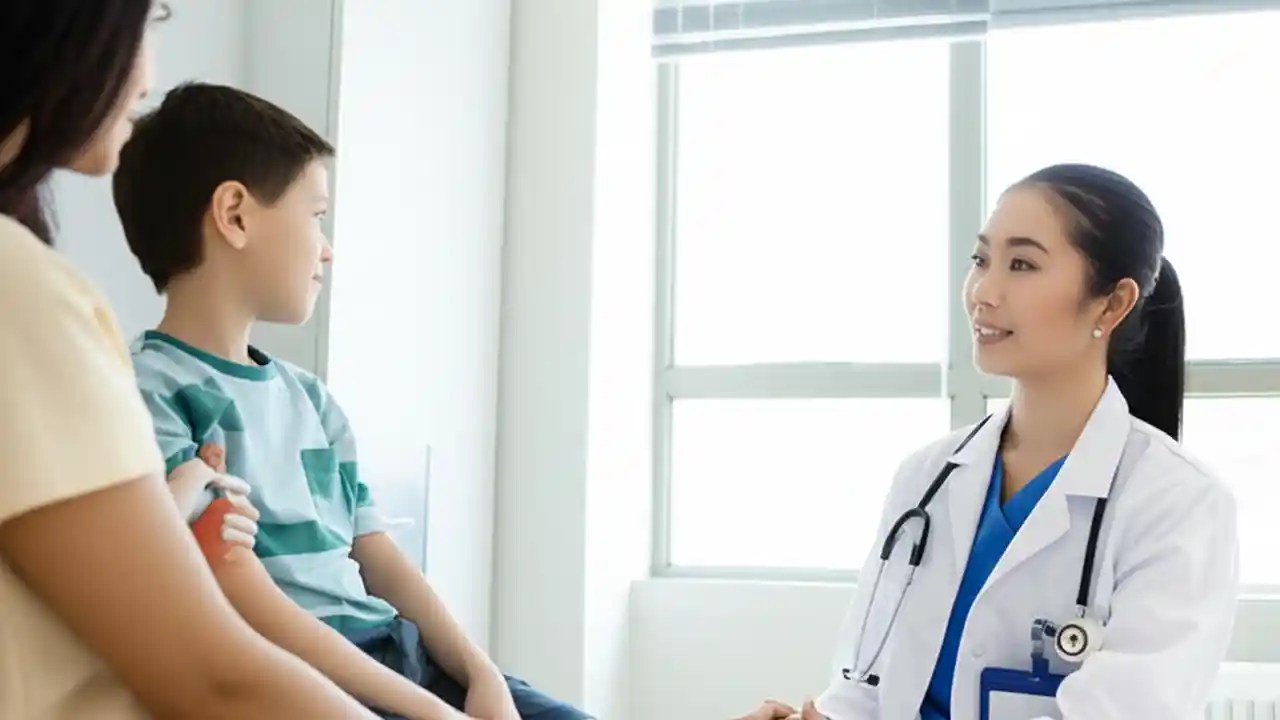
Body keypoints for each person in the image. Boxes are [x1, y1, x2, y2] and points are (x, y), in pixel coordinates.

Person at [113, 81, 593, 720]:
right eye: (316, 216)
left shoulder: (310, 399)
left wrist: (480, 674)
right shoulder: (151, 390)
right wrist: (434, 713)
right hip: (309, 673)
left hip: (397, 651)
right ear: (234, 215)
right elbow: (240, 592)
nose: (327, 247)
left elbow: (377, 555)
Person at [739, 164, 1238, 720]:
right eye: (981, 260)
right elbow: (865, 688)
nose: (984, 292)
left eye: (1022, 264)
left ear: (1111, 304)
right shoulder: (927, 478)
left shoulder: (1177, 501)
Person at [0, 3, 381, 718]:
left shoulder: (308, 400)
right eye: (150, 19)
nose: (147, 66)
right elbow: (211, 674)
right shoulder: (23, 297)